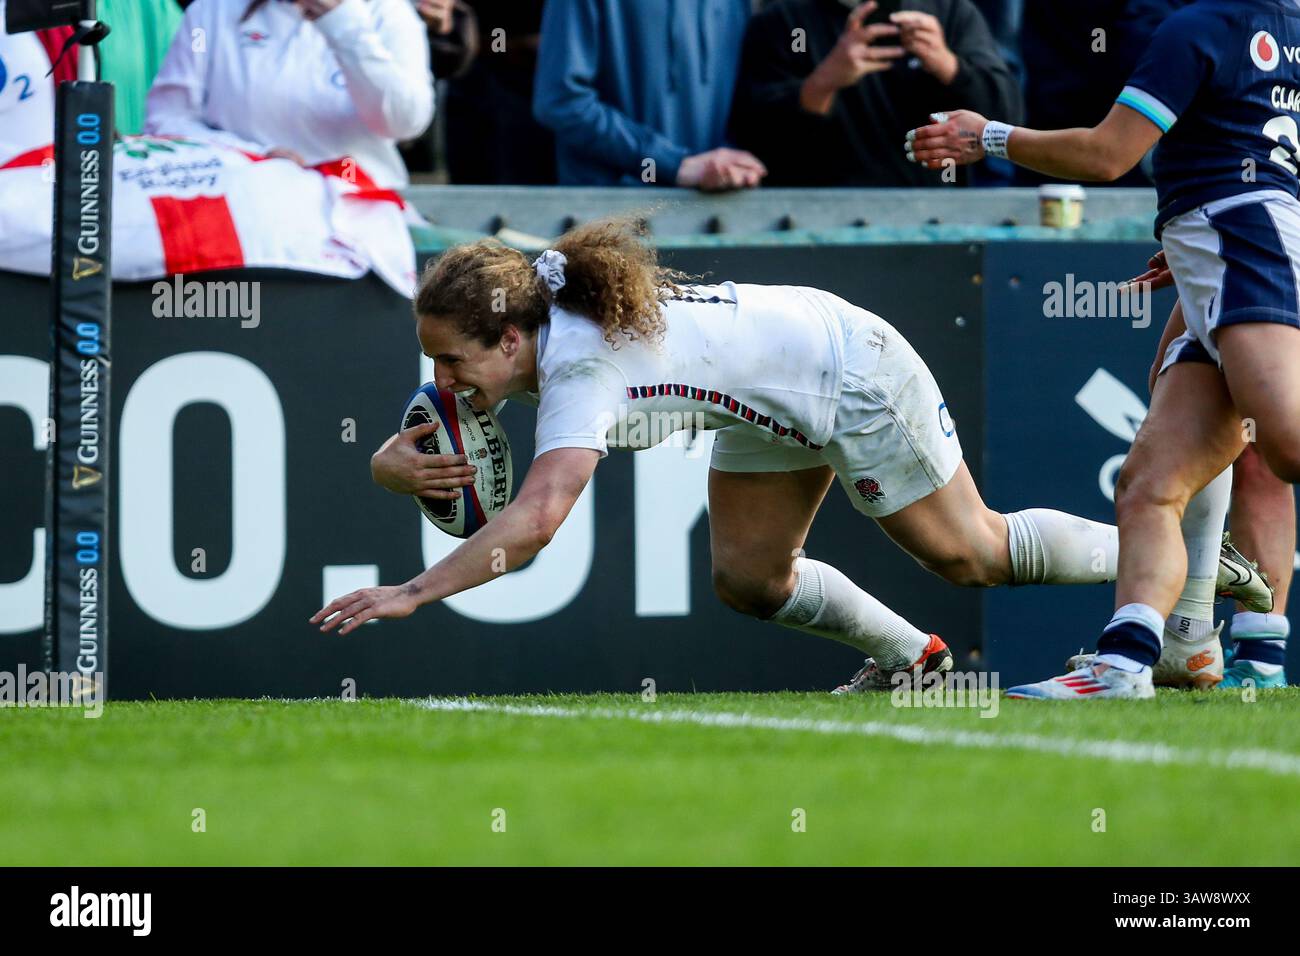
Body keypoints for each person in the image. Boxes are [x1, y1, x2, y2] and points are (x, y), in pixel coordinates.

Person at [311, 216, 1136, 692]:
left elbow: (533, 525)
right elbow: (442, 428)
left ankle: (1161, 563)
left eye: (450, 360)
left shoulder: (581, 369)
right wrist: (389, 463)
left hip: (848, 369)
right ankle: (913, 663)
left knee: (973, 555)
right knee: (750, 578)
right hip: (774, 395)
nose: (439, 379)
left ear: (511, 338)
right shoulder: (533, 298)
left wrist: (414, 593)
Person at [906, 0, 1298, 698]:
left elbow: (1107, 153)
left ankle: (1223, 652)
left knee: (1287, 445)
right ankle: (1125, 664)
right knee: (1150, 486)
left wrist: (987, 135)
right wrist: (1190, 243)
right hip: (1230, 250)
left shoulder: (1199, 27)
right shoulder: (1275, 26)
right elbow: (1264, 160)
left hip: (1247, 250)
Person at [145, 0, 434, 188]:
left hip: (363, 214)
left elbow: (405, 121)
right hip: (246, 212)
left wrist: (342, 23)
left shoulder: (388, 12)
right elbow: (166, 120)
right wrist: (255, 156)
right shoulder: (210, 12)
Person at [730, 0, 1021, 187]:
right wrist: (823, 83)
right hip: (810, 218)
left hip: (934, 215)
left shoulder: (949, 12)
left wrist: (948, 65)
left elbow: (1006, 116)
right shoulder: (783, 21)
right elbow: (753, 142)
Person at [531, 0, 766, 189]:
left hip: (714, 208)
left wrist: (730, 165)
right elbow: (560, 100)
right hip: (608, 220)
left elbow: (746, 98)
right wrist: (671, 164)